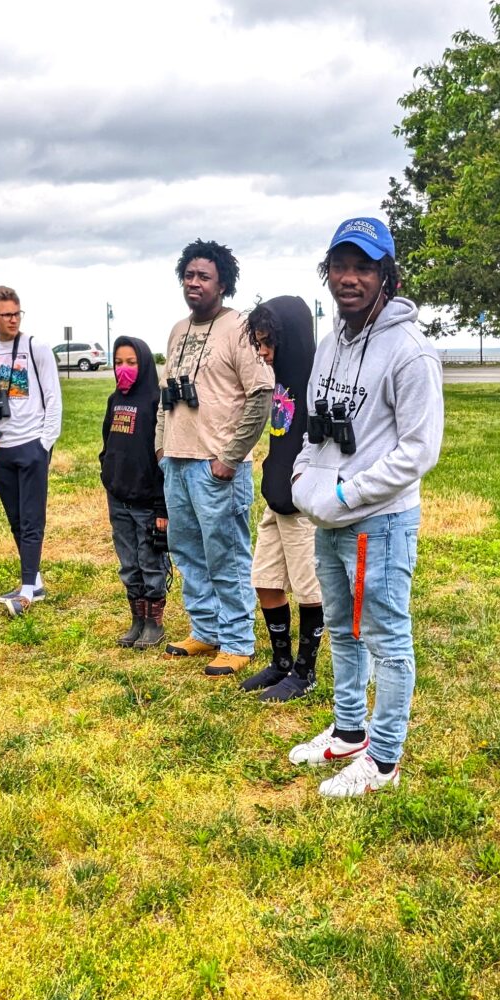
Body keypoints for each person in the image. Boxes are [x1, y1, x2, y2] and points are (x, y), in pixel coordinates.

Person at [284, 218, 443, 796]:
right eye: (340, 266)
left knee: (386, 636)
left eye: (364, 267)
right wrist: (306, 477)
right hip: (328, 517)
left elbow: (420, 450)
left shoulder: (410, 351)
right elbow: (313, 429)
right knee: (341, 628)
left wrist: (350, 493)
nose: (349, 278)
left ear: (385, 276)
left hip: (380, 518)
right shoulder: (330, 347)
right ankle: (349, 731)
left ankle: (384, 758)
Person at [158, 240, 274, 676]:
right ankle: (205, 630)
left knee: (225, 553)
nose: (193, 283)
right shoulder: (176, 330)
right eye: (188, 275)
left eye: (203, 276)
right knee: (187, 551)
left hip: (216, 466)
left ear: (222, 283)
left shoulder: (239, 328)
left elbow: (261, 393)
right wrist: (160, 444)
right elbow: (165, 393)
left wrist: (231, 456)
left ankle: (238, 640)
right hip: (177, 460)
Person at [238, 296, 322, 700]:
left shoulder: (316, 381)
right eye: (259, 343)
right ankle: (281, 663)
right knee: (265, 580)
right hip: (276, 499)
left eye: (269, 342)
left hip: (302, 506)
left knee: (309, 590)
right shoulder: (281, 380)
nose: (264, 351)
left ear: (292, 338)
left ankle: (305, 673)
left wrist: (303, 487)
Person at [0, 285, 61, 616]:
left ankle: (26, 592)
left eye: (17, 313)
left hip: (32, 445)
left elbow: (53, 398)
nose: (12, 320)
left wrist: (45, 443)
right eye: (6, 314)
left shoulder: (36, 347)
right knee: (17, 520)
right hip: (1, 449)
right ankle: (33, 580)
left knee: (33, 519)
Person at [99, 336, 170, 647]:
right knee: (128, 562)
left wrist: (161, 508)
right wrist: (108, 472)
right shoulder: (114, 401)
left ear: (143, 364)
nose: (124, 369)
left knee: (150, 560)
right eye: (118, 363)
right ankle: (137, 619)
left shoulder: (155, 402)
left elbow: (161, 458)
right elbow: (108, 443)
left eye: (131, 362)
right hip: (119, 497)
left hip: (147, 501)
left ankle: (154, 623)